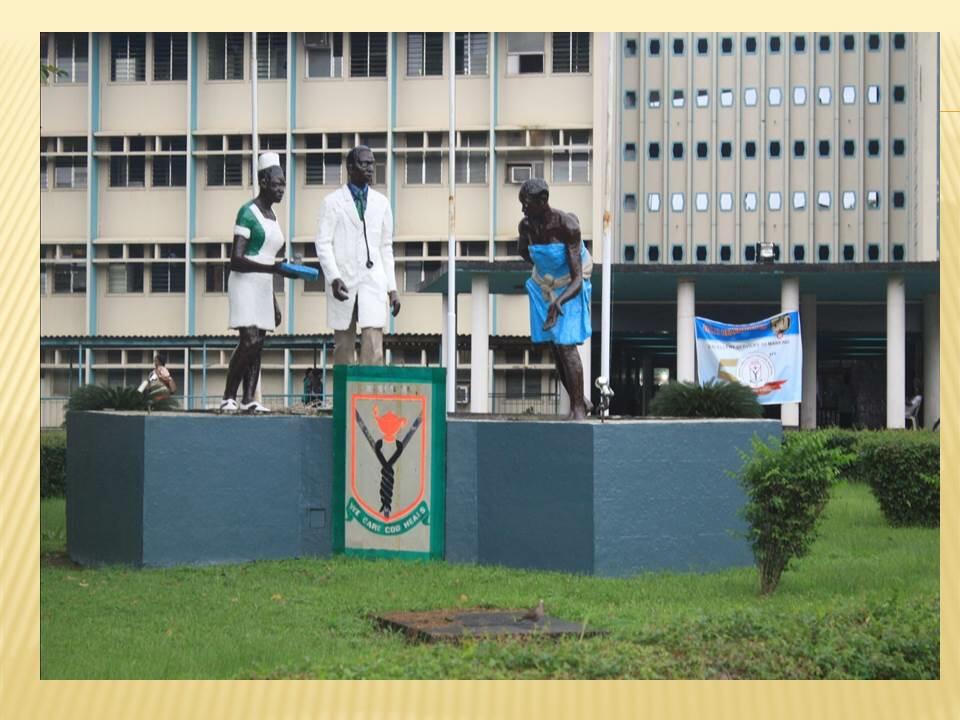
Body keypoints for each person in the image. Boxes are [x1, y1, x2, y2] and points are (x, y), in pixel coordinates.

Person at [220, 152, 298, 413]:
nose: (281, 189)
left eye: (283, 184)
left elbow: (269, 260)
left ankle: (249, 398)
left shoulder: (273, 217)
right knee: (249, 340)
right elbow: (236, 259)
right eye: (277, 184)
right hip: (244, 283)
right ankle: (228, 396)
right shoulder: (247, 213)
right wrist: (273, 268)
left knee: (259, 344)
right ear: (263, 182)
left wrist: (273, 299)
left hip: (264, 284)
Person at [315, 145, 400, 366]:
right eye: (364, 163)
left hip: (373, 282)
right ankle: (344, 390)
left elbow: (386, 248)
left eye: (372, 163)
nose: (370, 168)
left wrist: (392, 289)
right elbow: (323, 244)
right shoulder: (332, 202)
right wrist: (334, 277)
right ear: (350, 168)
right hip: (343, 282)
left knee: (373, 346)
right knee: (344, 348)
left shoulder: (382, 203)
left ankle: (371, 389)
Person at [517, 178, 593, 419]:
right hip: (545, 285)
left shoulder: (566, 226)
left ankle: (578, 409)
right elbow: (523, 252)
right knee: (556, 346)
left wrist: (559, 301)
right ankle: (579, 400)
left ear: (543, 201)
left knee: (566, 343)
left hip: (570, 286)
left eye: (527, 203)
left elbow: (577, 279)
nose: (523, 209)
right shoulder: (526, 227)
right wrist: (545, 269)